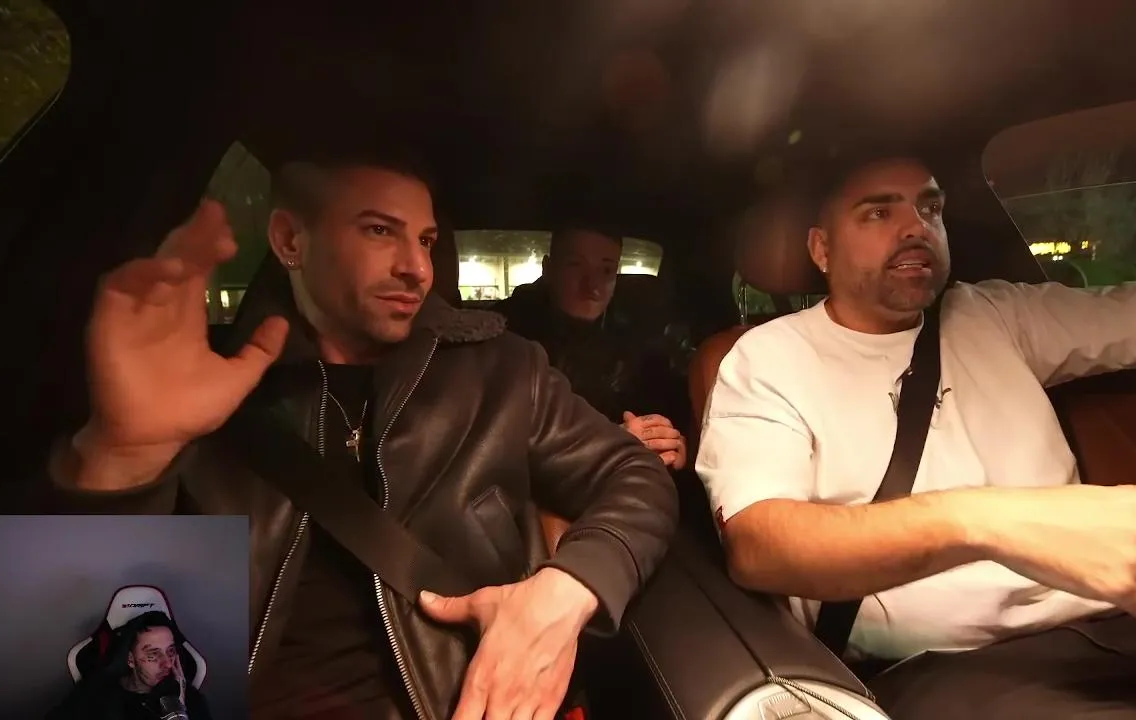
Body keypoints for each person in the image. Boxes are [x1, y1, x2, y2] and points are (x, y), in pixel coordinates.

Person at [45, 154, 678, 720]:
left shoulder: (501, 371)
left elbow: (636, 476)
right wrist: (120, 459)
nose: (417, 268)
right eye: (379, 231)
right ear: (290, 240)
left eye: (425, 240)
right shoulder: (204, 390)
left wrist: (568, 590)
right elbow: (70, 663)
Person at [696, 155, 1136, 719]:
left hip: (1126, 618)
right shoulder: (767, 359)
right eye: (878, 213)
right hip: (952, 665)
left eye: (930, 208)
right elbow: (760, 546)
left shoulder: (994, 314)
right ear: (821, 249)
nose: (915, 226)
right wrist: (991, 523)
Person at [495, 227, 688, 471]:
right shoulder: (506, 338)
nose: (592, 285)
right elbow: (502, 448)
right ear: (549, 269)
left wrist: (672, 443)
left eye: (606, 270)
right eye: (575, 265)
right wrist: (609, 443)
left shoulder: (639, 335)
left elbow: (665, 411)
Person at [47, 611, 212, 720]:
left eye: (171, 651)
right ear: (130, 660)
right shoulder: (95, 694)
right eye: (153, 654)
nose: (168, 663)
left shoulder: (189, 699)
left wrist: (176, 709)